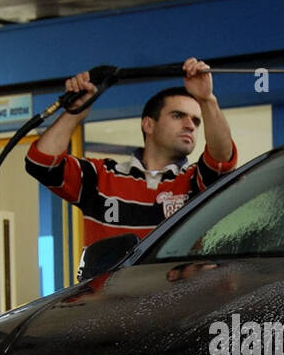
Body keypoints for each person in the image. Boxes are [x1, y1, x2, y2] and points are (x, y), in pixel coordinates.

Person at [25, 56, 238, 250]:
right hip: (109, 294)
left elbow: (221, 159)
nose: (190, 125)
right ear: (148, 125)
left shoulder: (196, 181)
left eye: (196, 120)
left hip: (177, 293)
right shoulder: (102, 176)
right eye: (177, 116)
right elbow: (41, 163)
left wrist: (207, 99)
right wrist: (76, 111)